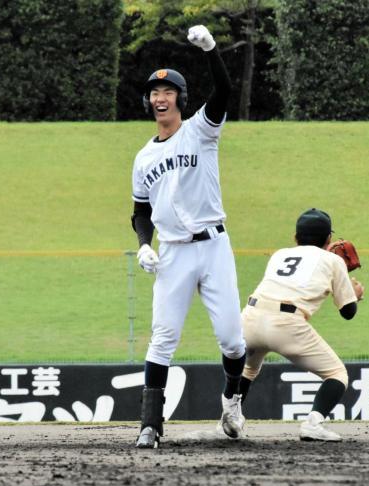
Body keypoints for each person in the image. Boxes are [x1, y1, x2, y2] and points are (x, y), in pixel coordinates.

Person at [130, 25, 246, 449]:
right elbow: (140, 211)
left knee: (234, 340)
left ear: (180, 98)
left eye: (168, 91)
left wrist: (212, 49)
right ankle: (149, 425)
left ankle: (232, 401)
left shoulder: (202, 130)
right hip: (173, 252)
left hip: (214, 247)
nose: (160, 98)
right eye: (154, 92)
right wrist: (144, 243)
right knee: (162, 338)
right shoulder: (143, 157)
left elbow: (224, 90)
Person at [235, 208, 364, 441]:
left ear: (295, 238)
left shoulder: (279, 254)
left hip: (250, 318)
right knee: (337, 374)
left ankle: (229, 419)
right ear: (328, 240)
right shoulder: (333, 260)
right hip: (286, 323)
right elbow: (348, 312)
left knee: (248, 369)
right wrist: (354, 294)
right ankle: (313, 423)